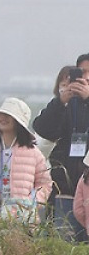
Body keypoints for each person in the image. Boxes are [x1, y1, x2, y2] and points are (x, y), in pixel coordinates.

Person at [0, 98, 51, 229]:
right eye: (1, 114)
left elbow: (45, 184)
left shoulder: (33, 153)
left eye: (9, 115)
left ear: (18, 122)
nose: (3, 118)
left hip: (21, 219)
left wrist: (31, 202)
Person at [33, 58, 89, 243]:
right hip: (61, 186)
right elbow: (42, 128)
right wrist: (60, 102)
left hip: (86, 186)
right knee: (59, 241)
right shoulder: (65, 105)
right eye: (80, 72)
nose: (83, 77)